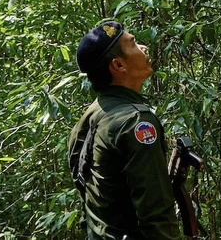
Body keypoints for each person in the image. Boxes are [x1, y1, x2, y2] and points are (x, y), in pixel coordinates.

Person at [67, 21, 180, 240]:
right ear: (118, 65)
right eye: (134, 44)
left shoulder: (91, 115)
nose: (144, 48)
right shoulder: (137, 122)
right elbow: (156, 214)